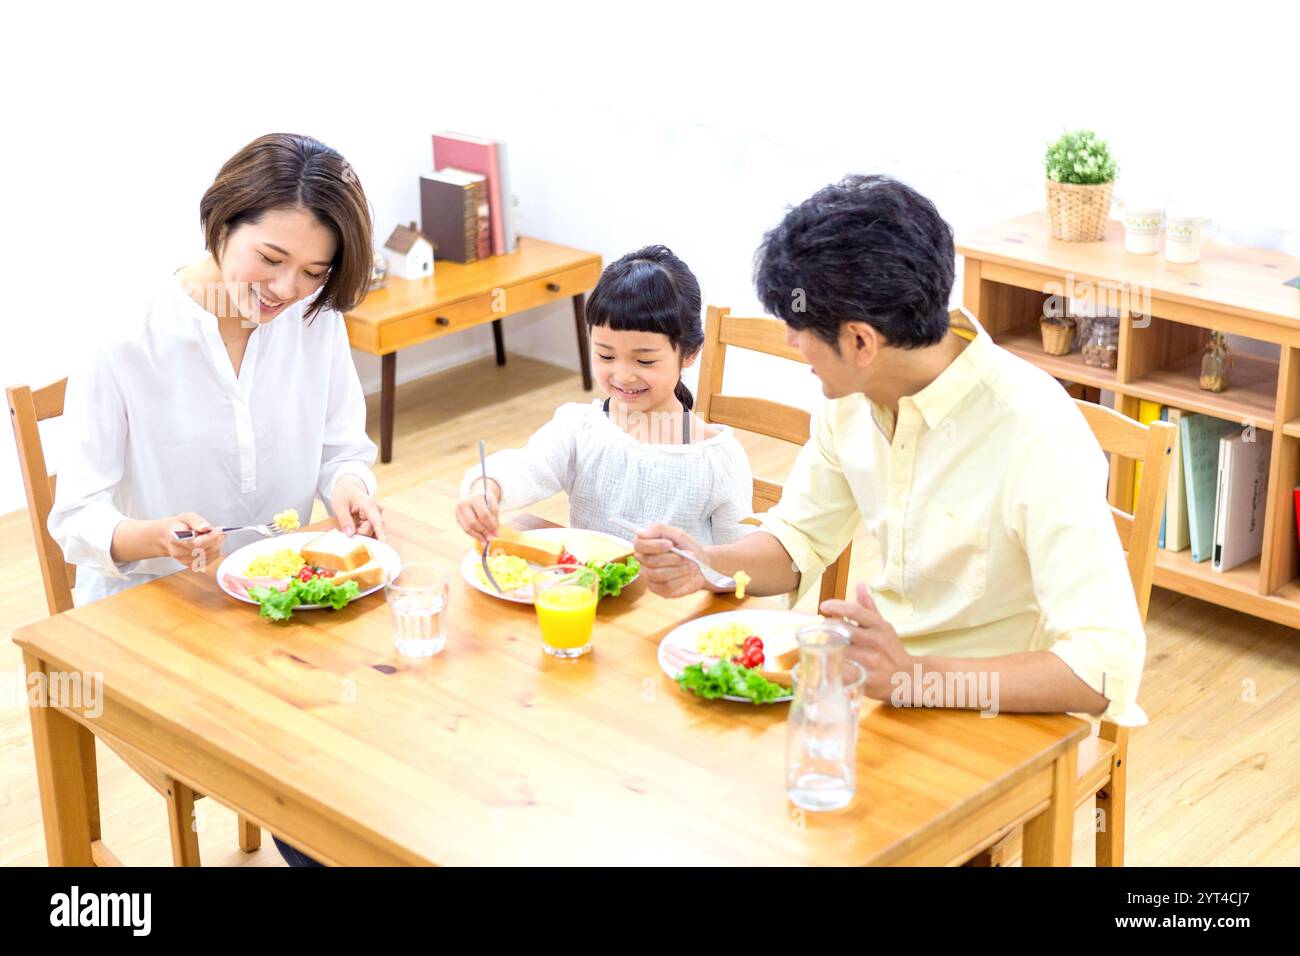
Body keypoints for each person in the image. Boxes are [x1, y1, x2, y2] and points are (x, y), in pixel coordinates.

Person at [633, 175, 1147, 726]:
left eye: (798, 327)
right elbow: (797, 541)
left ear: (860, 341)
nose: (790, 342)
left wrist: (915, 678)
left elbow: (1106, 665)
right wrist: (707, 564)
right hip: (874, 688)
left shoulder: (1036, 434)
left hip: (996, 715)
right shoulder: (852, 397)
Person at [48, 132, 385, 865]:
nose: (287, 289)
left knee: (386, 732)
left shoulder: (314, 321)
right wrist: (157, 536)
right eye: (270, 259)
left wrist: (351, 488)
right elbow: (74, 518)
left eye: (312, 271)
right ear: (222, 220)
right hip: (154, 617)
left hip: (283, 602)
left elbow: (342, 450)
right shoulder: (125, 338)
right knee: (316, 769)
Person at [456, 245, 753, 547]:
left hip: (675, 594)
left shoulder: (717, 460)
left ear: (689, 353)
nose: (623, 375)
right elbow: (528, 465)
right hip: (588, 590)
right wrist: (487, 488)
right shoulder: (580, 428)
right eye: (606, 356)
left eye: (645, 361)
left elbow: (738, 565)